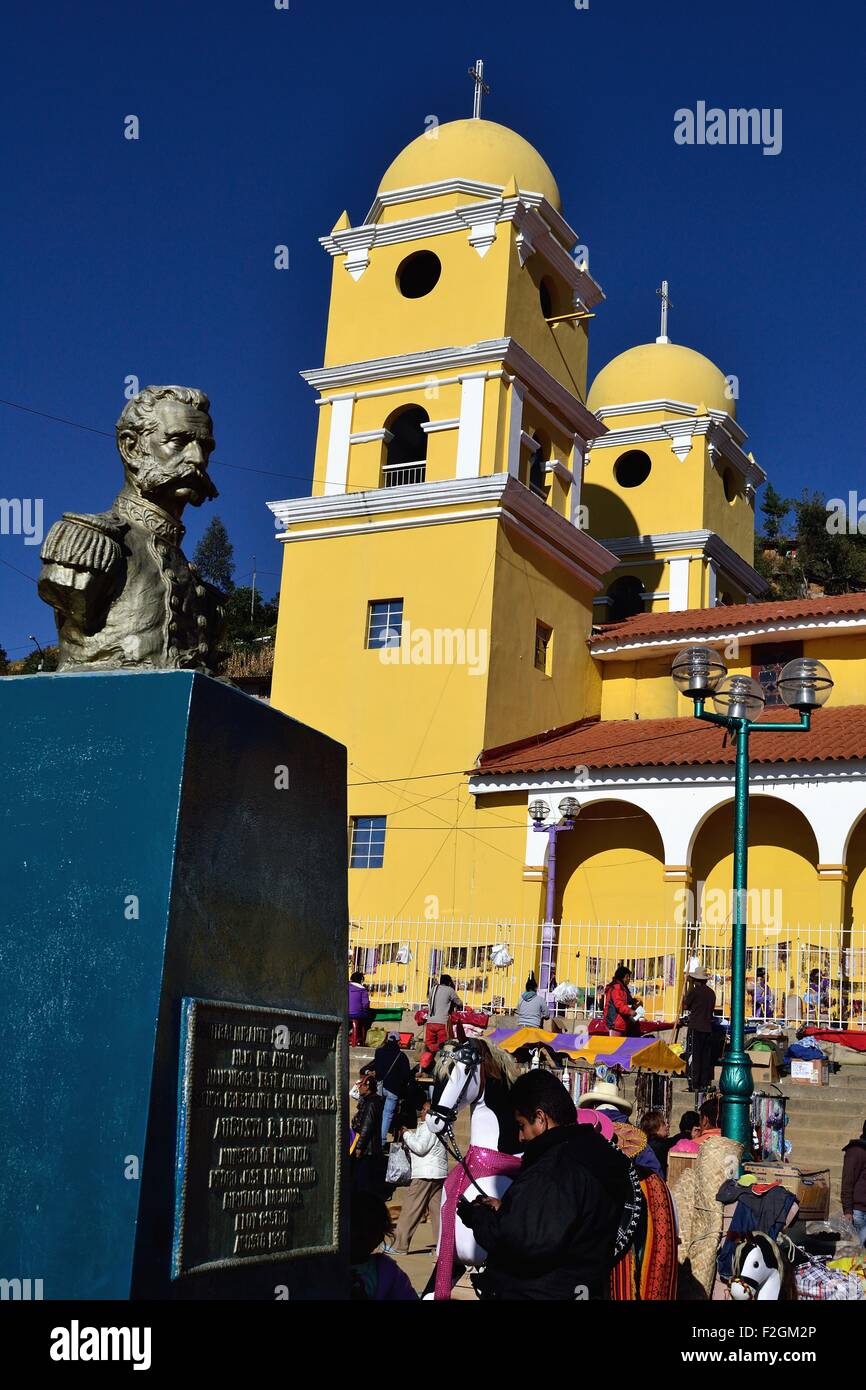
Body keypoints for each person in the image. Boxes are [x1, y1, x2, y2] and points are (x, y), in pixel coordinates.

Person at [457, 1070, 638, 1300]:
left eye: (521, 1125)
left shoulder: (554, 1167)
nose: (521, 1137)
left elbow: (523, 1243)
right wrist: (507, 1210)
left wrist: (480, 1217)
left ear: (541, 1118)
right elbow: (562, 1222)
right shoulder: (596, 1154)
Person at [392, 1099, 449, 1254]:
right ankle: (444, 1246)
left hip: (426, 1173)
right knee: (437, 1211)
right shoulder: (439, 1126)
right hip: (437, 1173)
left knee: (411, 1208)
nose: (422, 1112)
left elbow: (420, 1148)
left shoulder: (429, 1127)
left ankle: (399, 1245)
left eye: (425, 1110)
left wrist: (406, 1135)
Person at [350, 1193, 418, 1300]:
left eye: (370, 1230)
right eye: (356, 1229)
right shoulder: (327, 1268)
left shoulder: (386, 1270)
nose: (361, 1235)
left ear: (379, 1237)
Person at [417, 974, 462, 1078]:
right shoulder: (450, 990)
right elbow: (459, 1002)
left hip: (430, 1022)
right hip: (442, 1023)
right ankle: (441, 1070)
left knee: (429, 1047)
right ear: (449, 982)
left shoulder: (433, 989)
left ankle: (423, 1068)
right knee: (444, 1047)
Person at [373, 1031, 412, 1144]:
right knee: (387, 1115)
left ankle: (375, 1138)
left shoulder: (379, 1052)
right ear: (398, 1041)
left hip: (380, 1087)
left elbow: (376, 1067)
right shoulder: (401, 1055)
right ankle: (382, 1140)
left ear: (387, 1039)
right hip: (393, 1089)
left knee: (378, 1113)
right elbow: (406, 1075)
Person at [351, 1072, 386, 1196]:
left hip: (367, 1149)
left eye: (361, 1085)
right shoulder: (369, 1101)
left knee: (362, 1181)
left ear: (367, 1086)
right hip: (368, 1148)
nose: (358, 1088)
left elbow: (367, 1126)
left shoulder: (371, 1103)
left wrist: (360, 1146)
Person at [683, 965, 716, 1092]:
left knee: (694, 1056)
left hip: (696, 1027)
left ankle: (694, 1084)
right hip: (707, 1028)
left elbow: (686, 1006)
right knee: (705, 1057)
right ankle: (703, 1083)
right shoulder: (711, 993)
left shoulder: (694, 991)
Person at [841, 1120, 866, 1247]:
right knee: (859, 1252)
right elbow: (847, 1181)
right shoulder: (856, 1151)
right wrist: (848, 1210)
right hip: (859, 1213)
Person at [603, 964, 641, 1037]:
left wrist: (634, 1001)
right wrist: (630, 1011)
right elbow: (619, 1004)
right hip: (615, 1023)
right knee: (616, 1046)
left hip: (620, 1023)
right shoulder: (616, 988)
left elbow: (624, 1000)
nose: (629, 980)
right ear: (626, 977)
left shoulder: (622, 987)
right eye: (629, 977)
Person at [639, 1109, 678, 1179]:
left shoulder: (643, 1145)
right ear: (654, 1128)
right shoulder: (660, 1145)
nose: (667, 1125)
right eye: (663, 1123)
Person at [349, 971, 371, 1046]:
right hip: (357, 1015)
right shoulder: (363, 990)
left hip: (344, 1013)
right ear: (361, 980)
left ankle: (351, 1031)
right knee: (367, 1017)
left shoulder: (345, 987)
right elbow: (366, 1004)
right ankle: (360, 1038)